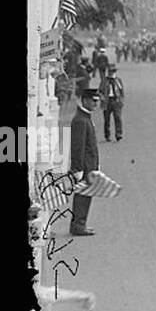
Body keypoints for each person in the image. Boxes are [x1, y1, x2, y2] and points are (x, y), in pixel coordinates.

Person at [68, 85, 101, 236]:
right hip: (84, 167)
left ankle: (80, 224)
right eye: (93, 101)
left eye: (97, 100)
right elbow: (78, 147)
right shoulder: (81, 120)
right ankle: (78, 226)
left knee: (86, 195)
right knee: (82, 196)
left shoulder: (85, 117)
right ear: (85, 100)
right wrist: (78, 168)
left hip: (89, 165)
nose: (96, 103)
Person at [100, 63, 125, 142]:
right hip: (107, 101)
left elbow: (122, 92)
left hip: (116, 101)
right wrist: (102, 98)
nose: (111, 72)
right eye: (110, 71)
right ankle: (107, 135)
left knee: (118, 118)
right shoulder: (104, 80)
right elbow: (99, 91)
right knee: (107, 120)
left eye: (113, 71)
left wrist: (121, 101)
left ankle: (118, 134)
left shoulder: (118, 80)